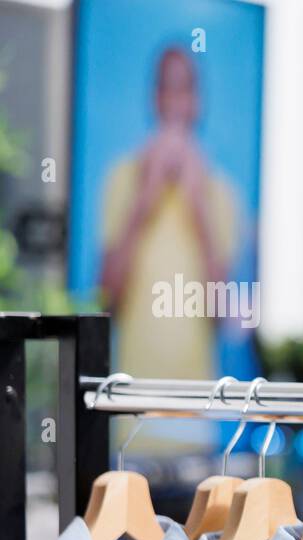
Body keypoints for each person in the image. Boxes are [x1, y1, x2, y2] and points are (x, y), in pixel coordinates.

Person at [99, 46, 240, 382]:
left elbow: (225, 316)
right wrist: (142, 202)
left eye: (185, 88)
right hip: (132, 404)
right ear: (155, 98)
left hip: (196, 408)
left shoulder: (221, 192)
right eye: (168, 88)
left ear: (197, 102)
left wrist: (200, 210)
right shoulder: (122, 178)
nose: (176, 101)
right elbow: (105, 301)